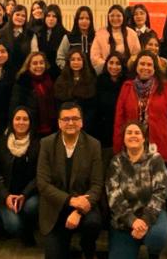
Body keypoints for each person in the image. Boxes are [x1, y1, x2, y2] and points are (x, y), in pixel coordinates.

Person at [37, 102, 104, 259]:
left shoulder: (93, 145)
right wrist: (70, 201)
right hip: (56, 207)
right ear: (59, 123)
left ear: (81, 122)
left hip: (83, 206)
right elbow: (43, 184)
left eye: (75, 118)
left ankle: (87, 247)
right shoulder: (46, 144)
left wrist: (78, 210)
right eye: (66, 119)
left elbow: (97, 185)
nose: (70, 123)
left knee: (93, 223)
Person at [106, 121, 167, 259]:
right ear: (123, 138)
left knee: (158, 238)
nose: (133, 135)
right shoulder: (116, 162)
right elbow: (113, 196)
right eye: (129, 133)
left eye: (137, 133)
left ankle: (153, 254)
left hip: (152, 215)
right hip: (124, 219)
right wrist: (132, 221)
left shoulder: (155, 159)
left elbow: (160, 192)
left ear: (144, 138)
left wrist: (145, 220)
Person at [113, 50, 167, 163]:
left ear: (155, 68)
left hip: (159, 148)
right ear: (136, 66)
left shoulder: (166, 88)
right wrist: (118, 148)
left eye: (149, 64)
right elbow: (119, 121)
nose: (145, 67)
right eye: (142, 64)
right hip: (132, 149)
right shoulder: (127, 87)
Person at [0, 107, 41, 246]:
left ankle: (28, 227)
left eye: (25, 119)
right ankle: (16, 225)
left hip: (29, 194)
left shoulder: (38, 143)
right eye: (18, 118)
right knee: (13, 226)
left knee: (30, 207)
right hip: (7, 194)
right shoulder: (1, 143)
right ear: (12, 121)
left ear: (30, 122)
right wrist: (6, 196)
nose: (21, 122)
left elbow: (40, 175)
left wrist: (24, 195)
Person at [11, 52, 58, 137]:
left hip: (53, 128)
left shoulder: (52, 80)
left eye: (41, 63)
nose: (39, 66)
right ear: (29, 66)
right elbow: (15, 107)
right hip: (32, 130)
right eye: (35, 63)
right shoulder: (22, 83)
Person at [91, 5, 141, 74]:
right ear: (108, 17)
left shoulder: (131, 33)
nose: (115, 18)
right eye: (112, 16)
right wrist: (111, 67)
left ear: (123, 17)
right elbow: (95, 57)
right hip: (106, 72)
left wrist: (126, 66)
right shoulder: (100, 33)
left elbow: (136, 54)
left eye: (118, 16)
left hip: (127, 73)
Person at [92, 52, 127, 148]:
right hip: (103, 128)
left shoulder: (127, 83)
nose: (114, 66)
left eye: (118, 63)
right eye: (111, 63)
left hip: (122, 128)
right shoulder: (99, 81)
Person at [53, 48, 96, 119]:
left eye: (79, 59)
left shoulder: (90, 80)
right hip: (65, 119)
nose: (76, 62)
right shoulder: (60, 80)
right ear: (68, 62)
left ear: (84, 62)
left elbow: (92, 107)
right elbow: (58, 105)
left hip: (85, 121)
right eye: (73, 59)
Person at [0, 4, 35, 71]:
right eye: (17, 14)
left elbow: (34, 55)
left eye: (23, 16)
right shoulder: (1, 33)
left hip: (25, 72)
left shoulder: (31, 34)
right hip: (5, 71)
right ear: (12, 16)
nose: (20, 18)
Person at [38, 4, 68, 78]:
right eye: (48, 16)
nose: (51, 19)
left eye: (54, 16)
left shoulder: (65, 35)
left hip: (58, 74)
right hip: (41, 72)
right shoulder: (38, 33)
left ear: (58, 19)